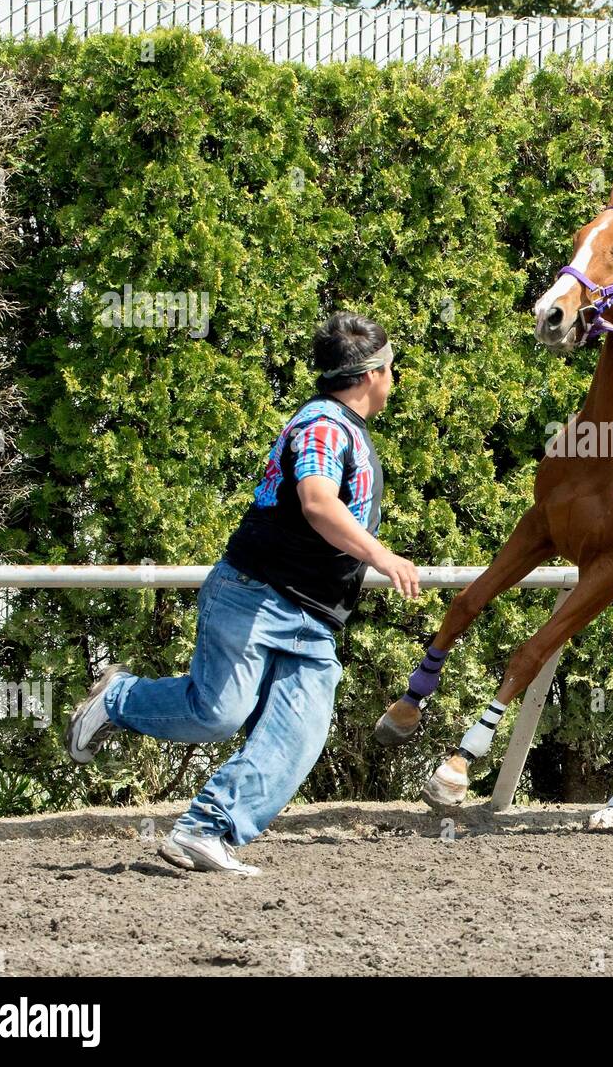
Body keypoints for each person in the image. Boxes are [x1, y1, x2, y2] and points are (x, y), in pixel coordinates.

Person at [63, 312, 420, 874]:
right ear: (372, 372)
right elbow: (318, 502)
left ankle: (205, 832)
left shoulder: (345, 429)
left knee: (298, 736)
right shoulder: (325, 425)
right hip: (257, 595)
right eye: (393, 367)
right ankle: (117, 698)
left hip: (314, 616)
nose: (395, 378)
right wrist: (382, 555)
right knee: (217, 714)